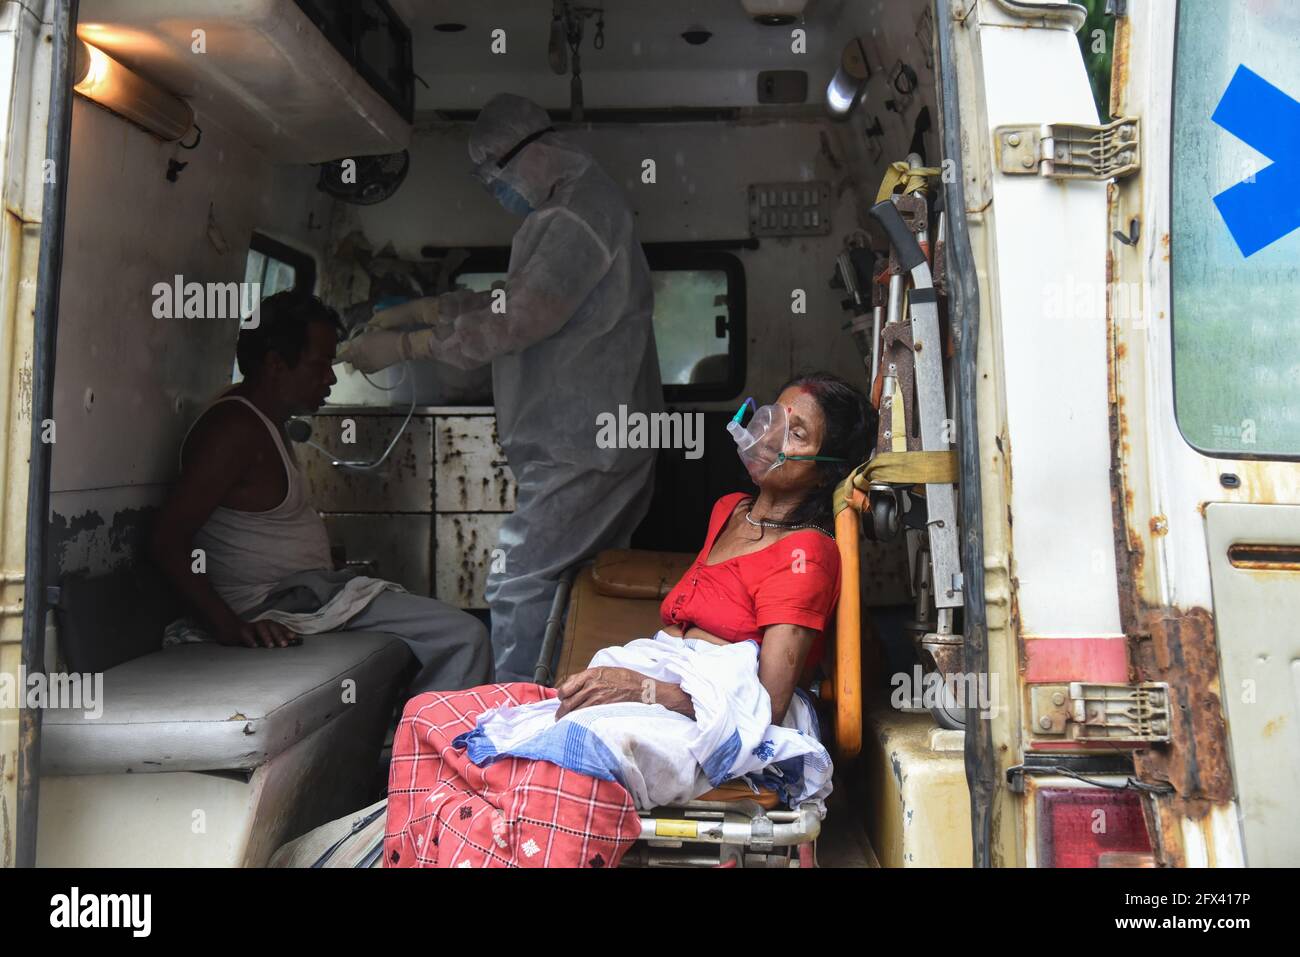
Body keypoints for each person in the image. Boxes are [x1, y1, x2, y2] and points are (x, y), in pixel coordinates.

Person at [384, 373, 875, 868]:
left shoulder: (806, 554)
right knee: (428, 717)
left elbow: (765, 704)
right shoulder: (731, 511)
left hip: (722, 714)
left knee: (561, 763)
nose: (769, 435)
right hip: (667, 686)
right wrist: (634, 682)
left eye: (797, 434)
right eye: (774, 415)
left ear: (824, 471)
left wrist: (638, 689)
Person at [337, 93, 663, 683]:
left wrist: (411, 345)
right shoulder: (571, 208)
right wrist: (425, 308)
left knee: (519, 583)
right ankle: (564, 715)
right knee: (578, 589)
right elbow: (509, 301)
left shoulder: (574, 216)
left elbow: (519, 318)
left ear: (529, 153)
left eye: (494, 173)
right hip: (587, 442)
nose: (495, 188)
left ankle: (516, 728)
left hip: (584, 445)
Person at [150, 292, 491, 695]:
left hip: (304, 591)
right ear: (277, 364)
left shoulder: (263, 420)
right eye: (320, 365)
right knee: (465, 636)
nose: (330, 378)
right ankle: (436, 751)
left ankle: (409, 740)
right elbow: (166, 541)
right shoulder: (234, 430)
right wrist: (232, 627)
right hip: (278, 604)